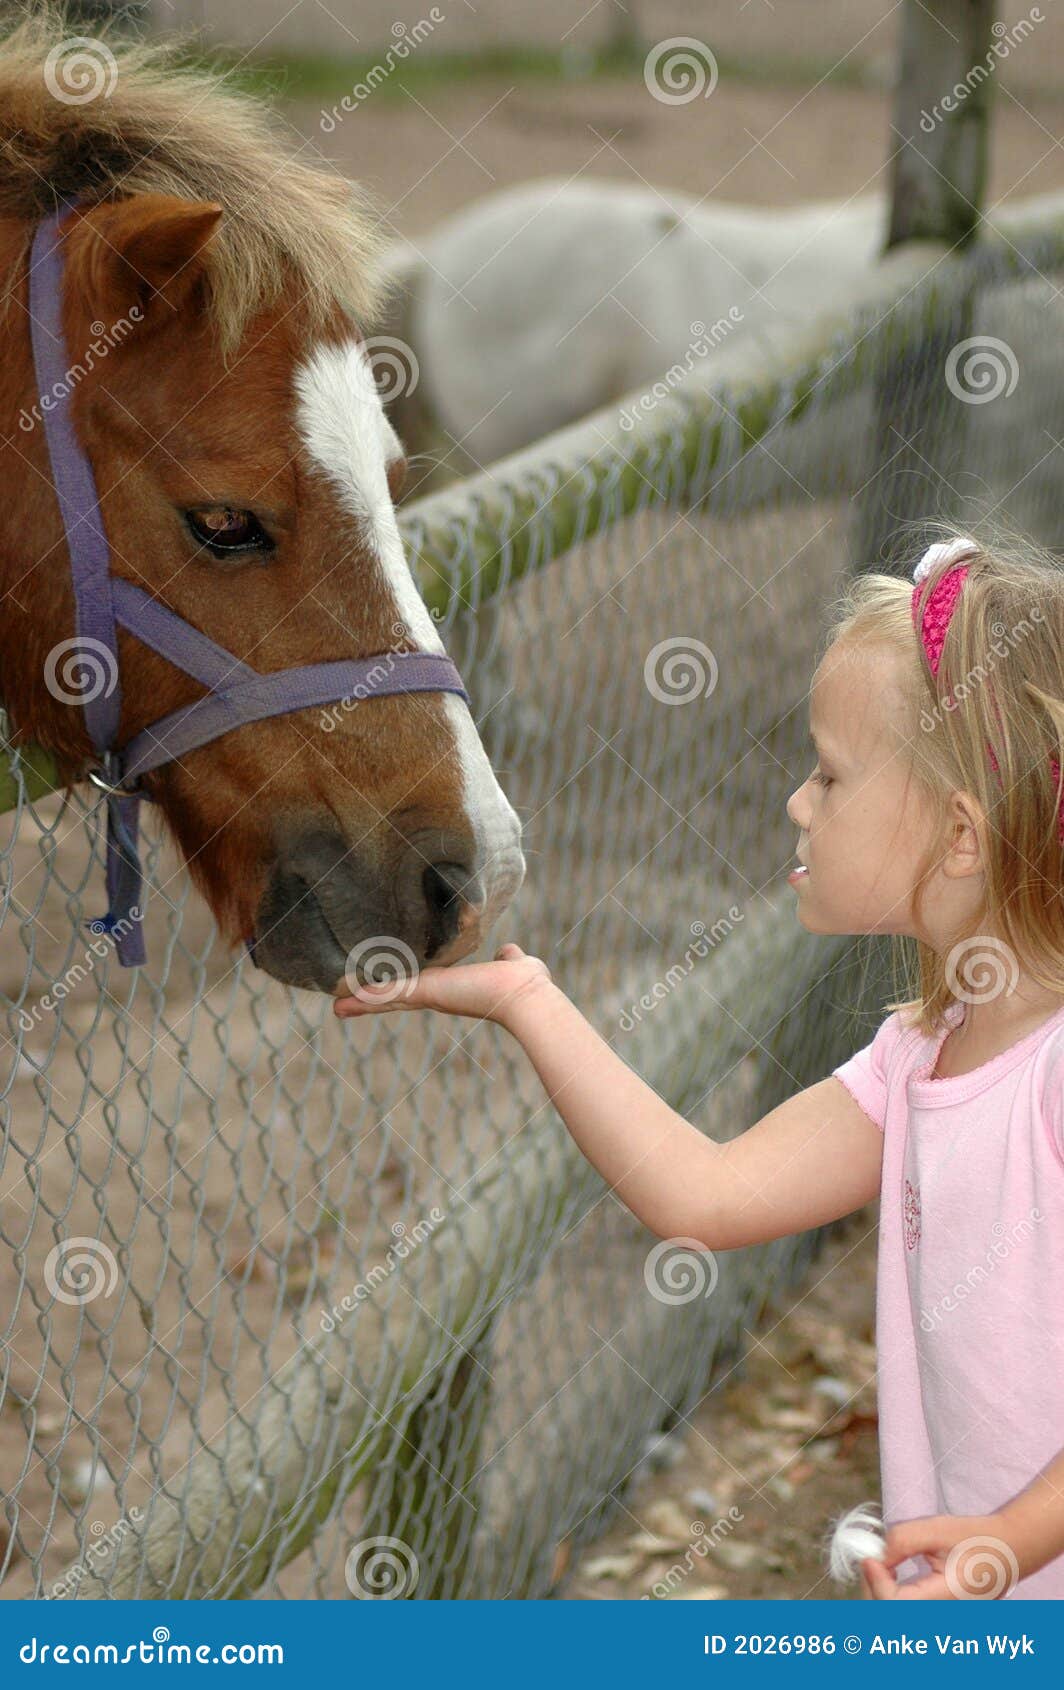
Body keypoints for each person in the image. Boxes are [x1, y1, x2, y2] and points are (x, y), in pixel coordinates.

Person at [334, 531, 1064, 1600]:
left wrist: (1009, 1539)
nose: (795, 802)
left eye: (828, 772)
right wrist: (528, 1001)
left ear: (959, 834)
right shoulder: (916, 1058)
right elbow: (705, 1193)